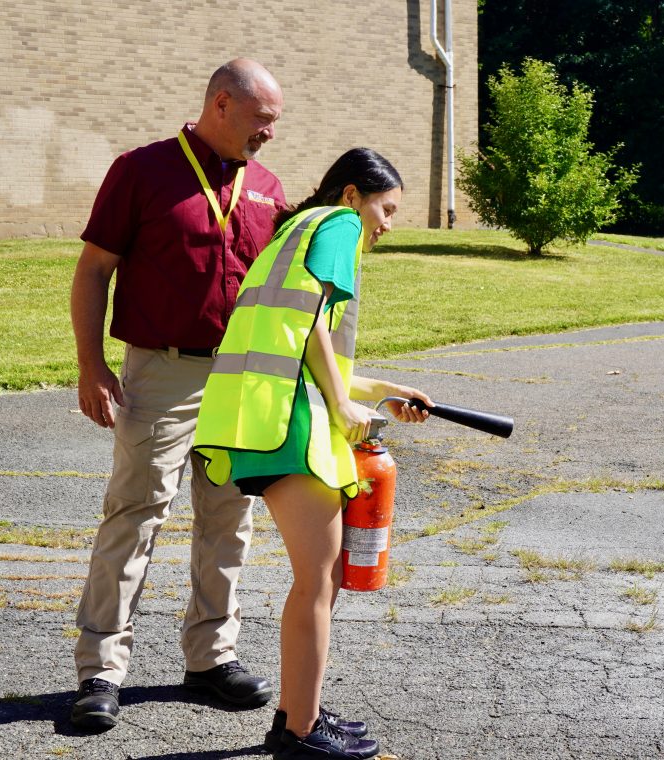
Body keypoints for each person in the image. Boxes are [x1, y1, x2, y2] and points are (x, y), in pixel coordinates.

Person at [192, 147, 431, 760]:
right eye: (386, 207)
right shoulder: (338, 225)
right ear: (352, 194)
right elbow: (312, 326)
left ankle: (296, 717)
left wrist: (383, 391)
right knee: (318, 581)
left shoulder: (294, 232)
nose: (387, 222)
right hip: (289, 428)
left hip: (267, 421)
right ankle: (300, 734)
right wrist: (347, 408)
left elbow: (301, 345)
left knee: (319, 579)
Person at [69, 58, 285, 731]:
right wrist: (91, 365)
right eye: (261, 120)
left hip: (243, 380)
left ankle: (210, 659)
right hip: (162, 372)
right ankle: (100, 670)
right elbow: (94, 270)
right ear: (221, 103)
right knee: (135, 514)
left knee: (230, 520)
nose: (268, 135)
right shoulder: (142, 170)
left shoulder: (270, 187)